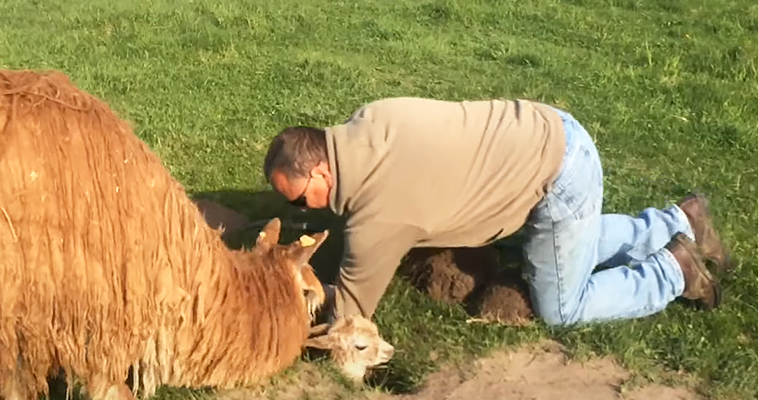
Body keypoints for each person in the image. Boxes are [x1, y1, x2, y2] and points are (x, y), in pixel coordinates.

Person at [262, 97, 730, 327]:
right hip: (552, 128)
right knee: (562, 247)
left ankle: (674, 272)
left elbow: (349, 313)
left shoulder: (377, 215)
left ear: (322, 172)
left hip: (558, 177)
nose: (300, 207)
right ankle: (680, 222)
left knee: (562, 308)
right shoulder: (369, 118)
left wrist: (296, 304)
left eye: (299, 198)